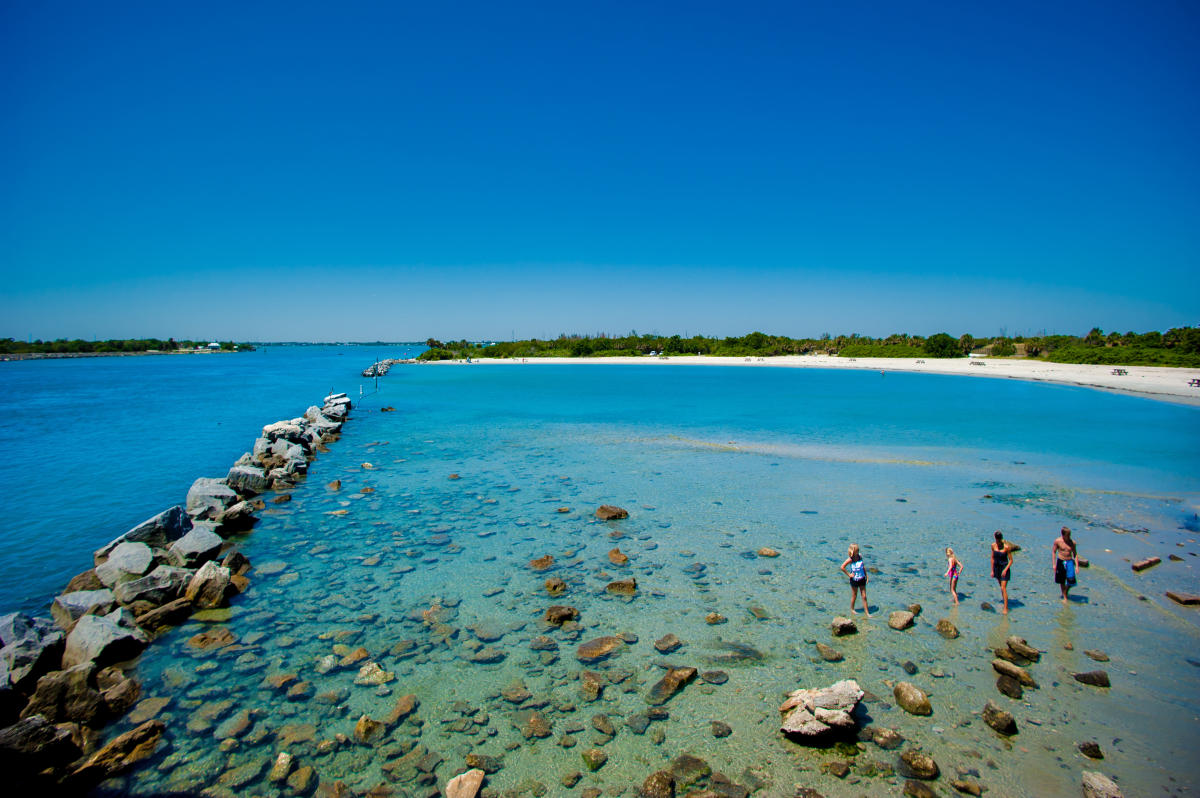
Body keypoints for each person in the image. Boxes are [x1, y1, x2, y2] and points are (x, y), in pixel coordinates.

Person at [840, 543, 870, 616]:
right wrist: (849, 575)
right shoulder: (850, 559)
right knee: (854, 595)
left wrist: (867, 576)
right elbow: (842, 567)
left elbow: (863, 567)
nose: (858, 551)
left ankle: (867, 612)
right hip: (854, 580)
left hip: (862, 578)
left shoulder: (860, 557)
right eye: (857, 550)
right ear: (853, 551)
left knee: (864, 596)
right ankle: (852, 609)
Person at [991, 530, 1016, 614]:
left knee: (1003, 587)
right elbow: (992, 558)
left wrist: (1005, 569)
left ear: (1001, 539)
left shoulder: (1006, 547)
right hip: (997, 568)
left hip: (1004, 568)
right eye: (996, 540)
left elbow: (1011, 560)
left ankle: (1006, 608)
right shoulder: (993, 546)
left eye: (999, 540)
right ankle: (1005, 602)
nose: (997, 541)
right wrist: (992, 570)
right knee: (1001, 587)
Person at [1052, 526, 1078, 603]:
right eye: (1068, 535)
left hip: (1069, 561)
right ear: (1063, 535)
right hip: (1060, 561)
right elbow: (1054, 552)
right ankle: (1065, 597)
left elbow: (1075, 554)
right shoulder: (1058, 541)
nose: (1069, 536)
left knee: (1071, 581)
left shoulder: (1072, 543)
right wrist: (1054, 564)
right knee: (1062, 580)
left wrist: (1077, 566)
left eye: (1070, 535)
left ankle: (1065, 592)